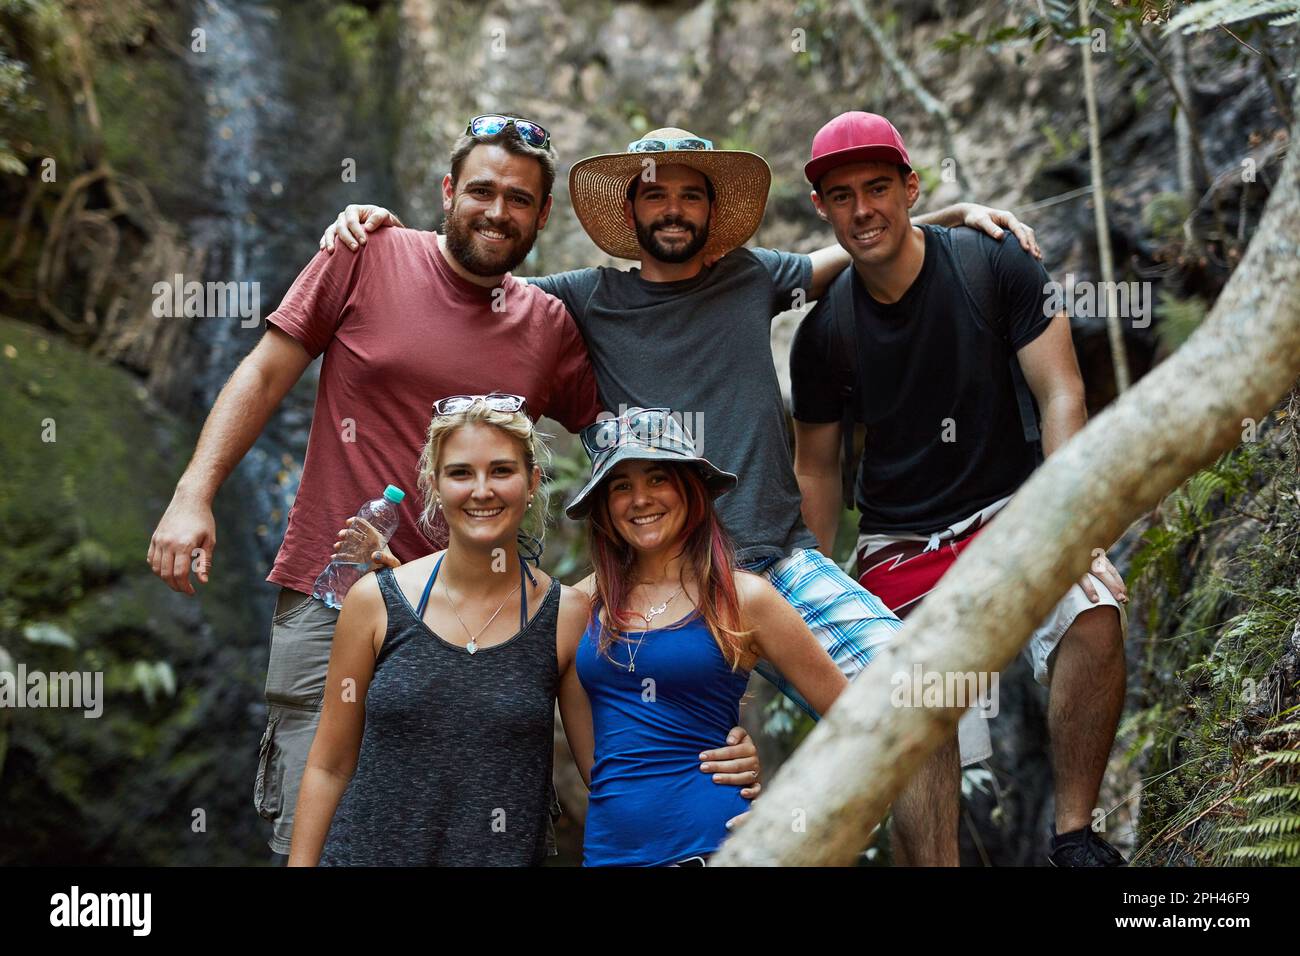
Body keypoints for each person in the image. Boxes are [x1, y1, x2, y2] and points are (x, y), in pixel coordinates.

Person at [319, 126, 1040, 864]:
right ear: (630, 211)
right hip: (643, 581)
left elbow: (864, 245)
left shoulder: (753, 277)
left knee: (916, 694)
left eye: (690, 195)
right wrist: (387, 234)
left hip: (772, 565)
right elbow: (473, 271)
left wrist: (957, 219)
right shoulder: (582, 300)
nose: (672, 209)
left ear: (711, 211)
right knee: (515, 694)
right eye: (655, 193)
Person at [147, 115, 756, 860]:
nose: (498, 211)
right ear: (447, 191)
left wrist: (709, 734)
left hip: (490, 620)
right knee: (317, 816)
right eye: (482, 191)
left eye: (520, 199)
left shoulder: (548, 324)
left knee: (473, 826)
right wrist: (191, 494)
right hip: (333, 591)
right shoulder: (364, 254)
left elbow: (627, 455)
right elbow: (268, 370)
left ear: (541, 216)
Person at [789, 111, 1129, 866]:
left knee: (1094, 608)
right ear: (822, 208)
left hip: (1012, 509)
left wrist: (1072, 522)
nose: (862, 209)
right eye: (841, 197)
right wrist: (805, 590)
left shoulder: (993, 264)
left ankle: (1074, 838)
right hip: (899, 543)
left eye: (878, 188)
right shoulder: (824, 333)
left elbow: (1062, 395)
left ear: (910, 187)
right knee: (913, 708)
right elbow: (815, 468)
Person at [288, 396, 758, 865]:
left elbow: (612, 769)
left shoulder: (568, 614)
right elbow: (329, 766)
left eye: (501, 471)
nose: (481, 490)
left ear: (533, 482)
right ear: (432, 484)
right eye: (460, 473)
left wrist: (722, 768)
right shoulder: (375, 601)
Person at [563, 407, 847, 866]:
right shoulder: (582, 604)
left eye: (657, 478)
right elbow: (599, 766)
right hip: (608, 853)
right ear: (603, 506)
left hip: (713, 848)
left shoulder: (744, 598)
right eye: (621, 486)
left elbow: (857, 716)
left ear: (691, 489)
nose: (640, 499)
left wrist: (796, 809)